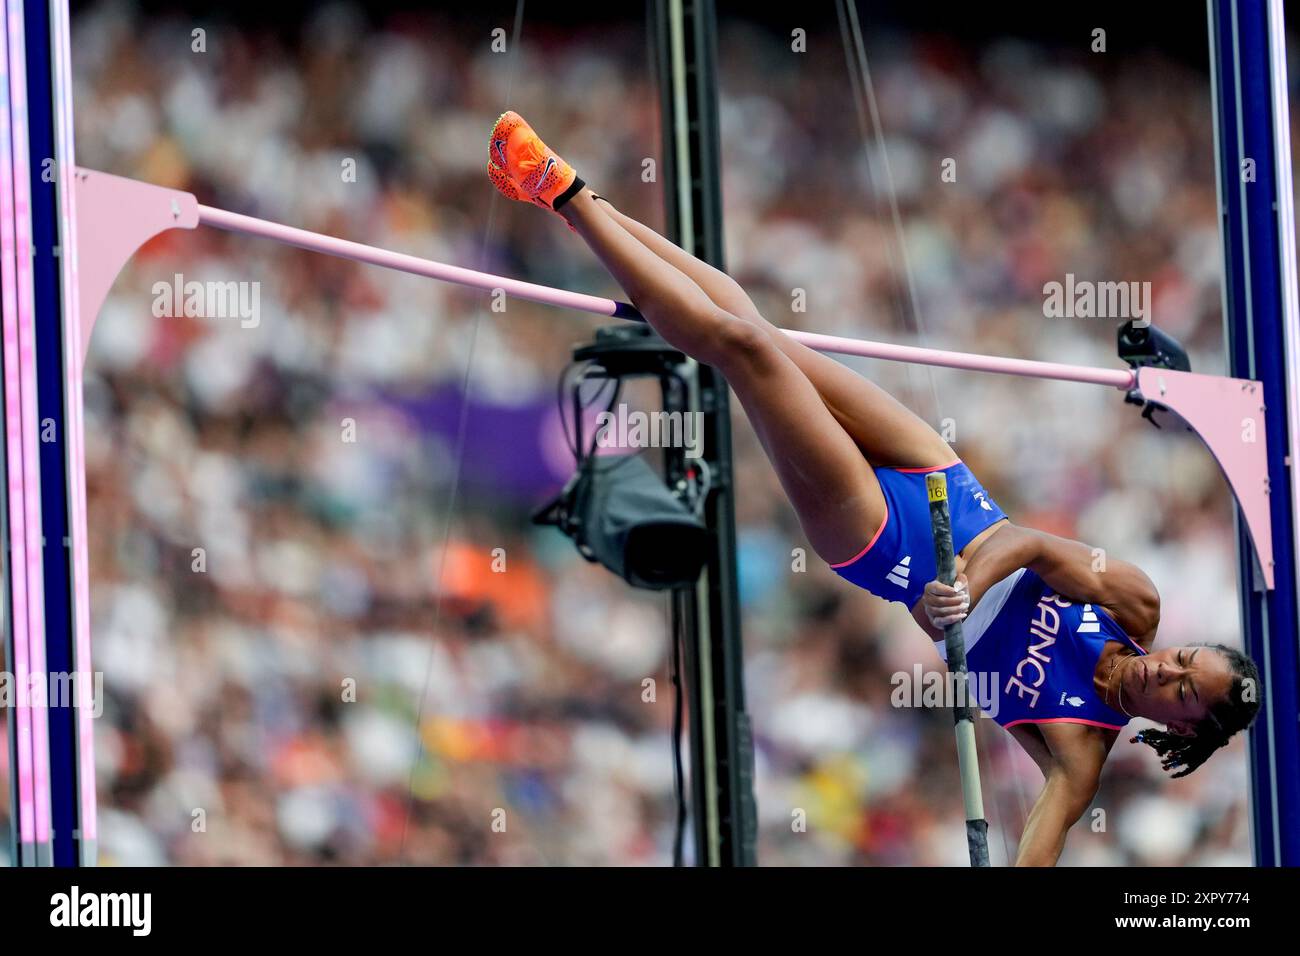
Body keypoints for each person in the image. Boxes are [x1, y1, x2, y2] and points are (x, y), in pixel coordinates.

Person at [486, 111, 1261, 866]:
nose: (1170, 668)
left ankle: (563, 193)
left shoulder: (1078, 755)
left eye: (1185, 691)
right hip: (949, 489)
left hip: (882, 547)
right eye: (1189, 659)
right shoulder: (1138, 607)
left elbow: (1042, 846)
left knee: (747, 352)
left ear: (1185, 730)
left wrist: (941, 598)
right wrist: (963, 587)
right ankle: (601, 211)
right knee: (761, 324)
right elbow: (1030, 544)